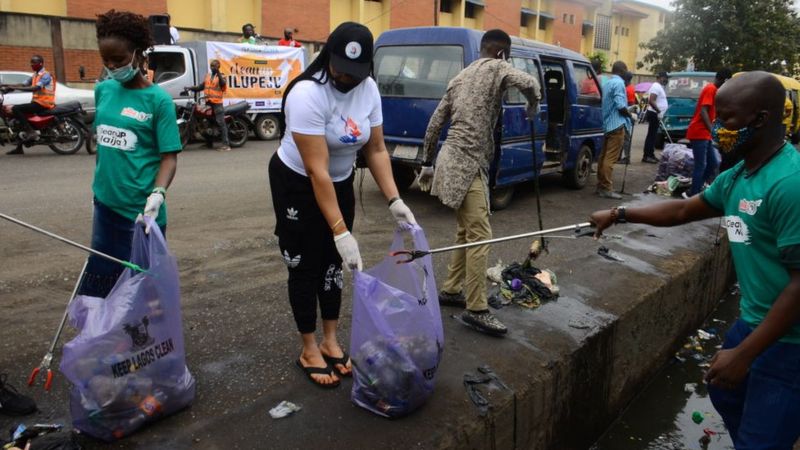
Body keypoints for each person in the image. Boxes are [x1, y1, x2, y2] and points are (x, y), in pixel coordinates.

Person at [590, 71, 800, 448]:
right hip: (753, 320)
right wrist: (620, 214)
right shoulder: (738, 176)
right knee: (723, 391)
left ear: (761, 119)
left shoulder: (790, 184)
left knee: (762, 438)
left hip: (790, 342)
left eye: (727, 118)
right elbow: (684, 210)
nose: (717, 127)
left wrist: (745, 355)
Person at [269, 22, 417, 388]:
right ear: (328, 56)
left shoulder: (368, 89)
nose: (346, 78)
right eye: (340, 69)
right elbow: (316, 170)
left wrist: (395, 199)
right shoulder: (307, 93)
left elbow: (376, 148)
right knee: (305, 263)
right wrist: (339, 231)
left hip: (340, 180)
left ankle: (331, 340)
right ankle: (309, 348)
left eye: (355, 72)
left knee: (334, 263)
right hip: (298, 183)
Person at [417, 29, 541, 336]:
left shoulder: (459, 77)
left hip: (449, 159)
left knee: (466, 231)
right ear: (501, 53)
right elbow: (530, 83)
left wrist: (427, 163)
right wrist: (533, 104)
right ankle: (476, 308)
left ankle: (451, 289)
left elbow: (434, 124)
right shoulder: (498, 66)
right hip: (468, 163)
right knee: (481, 235)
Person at [77, 9, 182, 298]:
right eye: (106, 60)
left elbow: (169, 157)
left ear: (138, 54)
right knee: (102, 280)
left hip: (141, 214)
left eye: (119, 60)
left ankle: (140, 328)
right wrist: (100, 186)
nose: (112, 66)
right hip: (105, 206)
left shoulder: (158, 101)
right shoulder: (104, 90)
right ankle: (104, 327)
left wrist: (158, 193)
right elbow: (104, 145)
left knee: (142, 287)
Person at [685, 68, 732, 195]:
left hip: (705, 134)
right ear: (725, 80)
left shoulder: (715, 90)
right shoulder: (710, 89)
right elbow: (703, 111)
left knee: (713, 163)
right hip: (699, 132)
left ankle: (696, 188)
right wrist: (712, 131)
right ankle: (693, 193)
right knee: (701, 165)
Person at [0, 55, 56, 154]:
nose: (32, 65)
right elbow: (23, 84)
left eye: (34, 62)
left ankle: (31, 132)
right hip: (37, 102)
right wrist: (7, 86)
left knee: (16, 109)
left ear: (41, 63)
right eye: (31, 63)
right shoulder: (35, 75)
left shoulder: (46, 75)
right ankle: (19, 148)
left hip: (44, 103)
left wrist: (14, 88)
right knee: (17, 117)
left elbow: (35, 88)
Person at [596, 61, 632, 199]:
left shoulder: (607, 83)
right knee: (610, 159)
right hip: (617, 125)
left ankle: (601, 186)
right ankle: (606, 188)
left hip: (607, 124)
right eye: (625, 70)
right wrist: (630, 115)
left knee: (603, 157)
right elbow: (620, 106)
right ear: (622, 71)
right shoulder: (619, 83)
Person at [184, 60, 230, 151]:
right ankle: (209, 143)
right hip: (208, 103)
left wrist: (218, 73)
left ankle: (226, 145)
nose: (212, 67)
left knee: (221, 123)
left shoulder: (222, 76)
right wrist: (190, 88)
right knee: (207, 123)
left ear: (218, 67)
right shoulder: (208, 76)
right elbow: (200, 87)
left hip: (217, 104)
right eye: (211, 66)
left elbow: (223, 84)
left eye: (214, 66)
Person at [642, 71, 669, 163]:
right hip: (654, 113)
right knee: (651, 136)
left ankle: (650, 154)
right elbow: (651, 100)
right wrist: (658, 111)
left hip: (655, 113)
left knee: (653, 136)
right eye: (665, 78)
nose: (666, 80)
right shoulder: (656, 86)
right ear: (661, 77)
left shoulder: (659, 86)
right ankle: (647, 156)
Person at [618, 71, 637, 165]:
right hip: (628, 113)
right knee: (624, 137)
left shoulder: (628, 89)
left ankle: (626, 157)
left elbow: (629, 104)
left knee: (626, 137)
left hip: (627, 114)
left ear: (625, 79)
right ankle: (620, 156)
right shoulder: (631, 88)